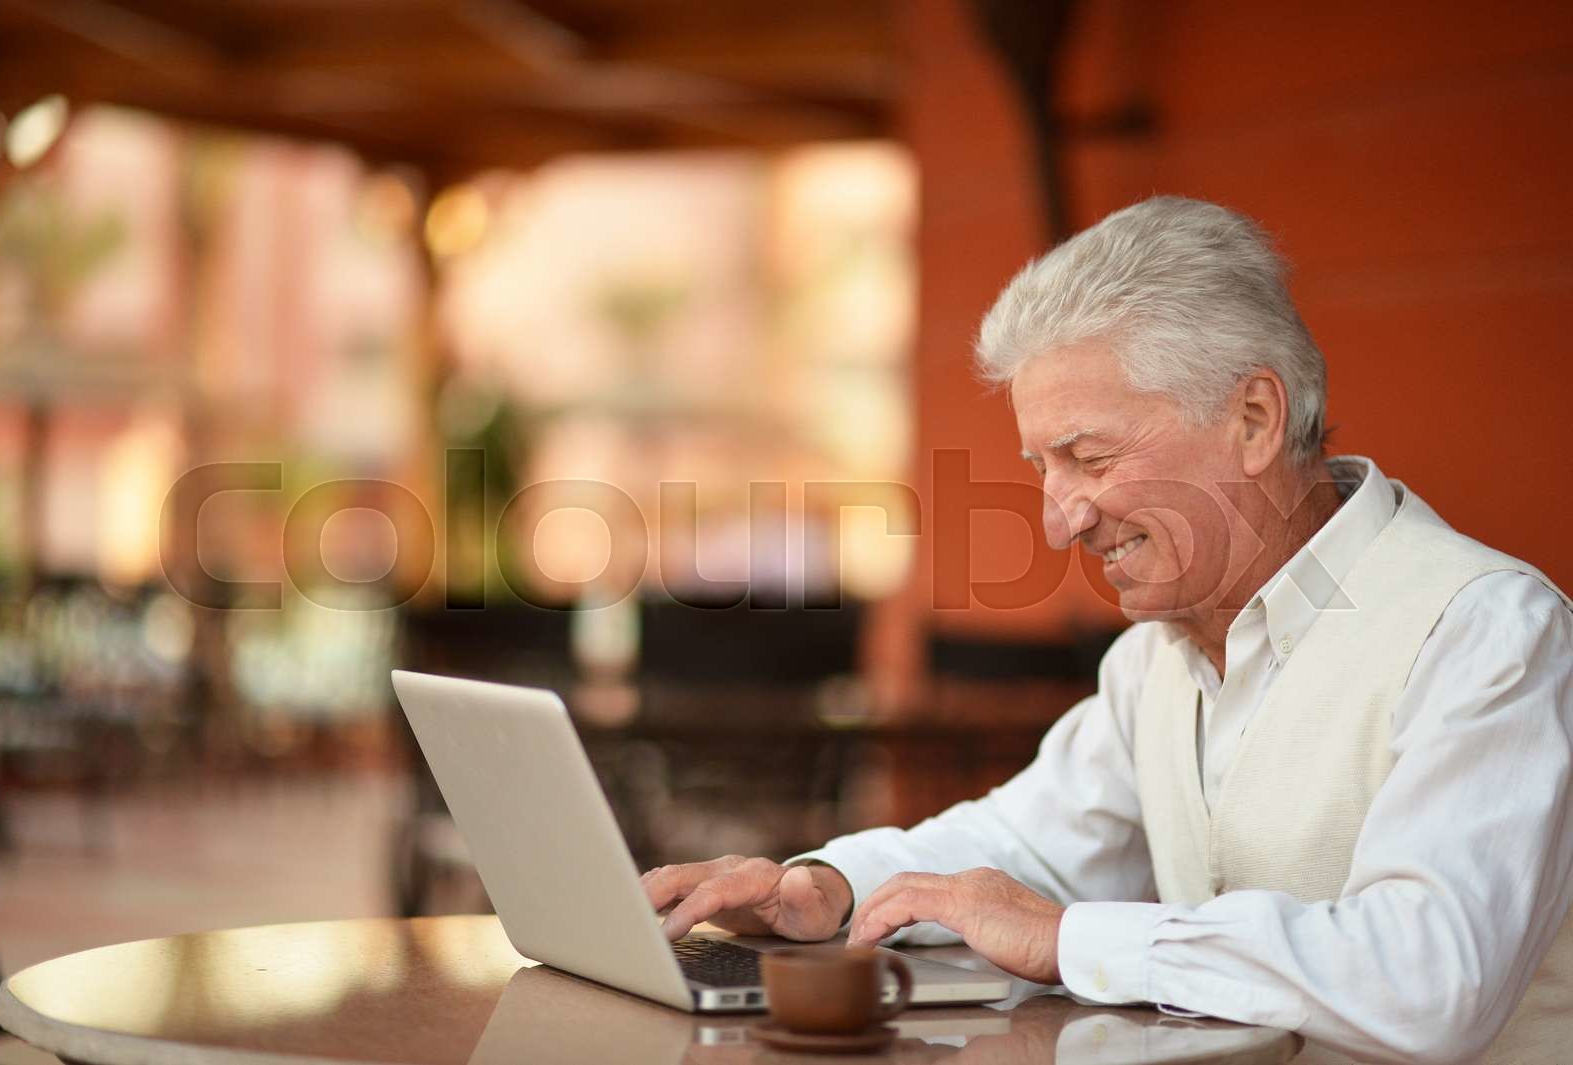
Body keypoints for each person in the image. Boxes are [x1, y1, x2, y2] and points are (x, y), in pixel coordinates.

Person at [641, 197, 1573, 1064]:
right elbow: (1025, 843)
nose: (1058, 521)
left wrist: (1065, 936)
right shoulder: (1156, 657)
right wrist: (824, 887)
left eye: (1088, 457)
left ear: (1254, 418)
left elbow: (1432, 974)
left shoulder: (1487, 630)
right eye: (1043, 466)